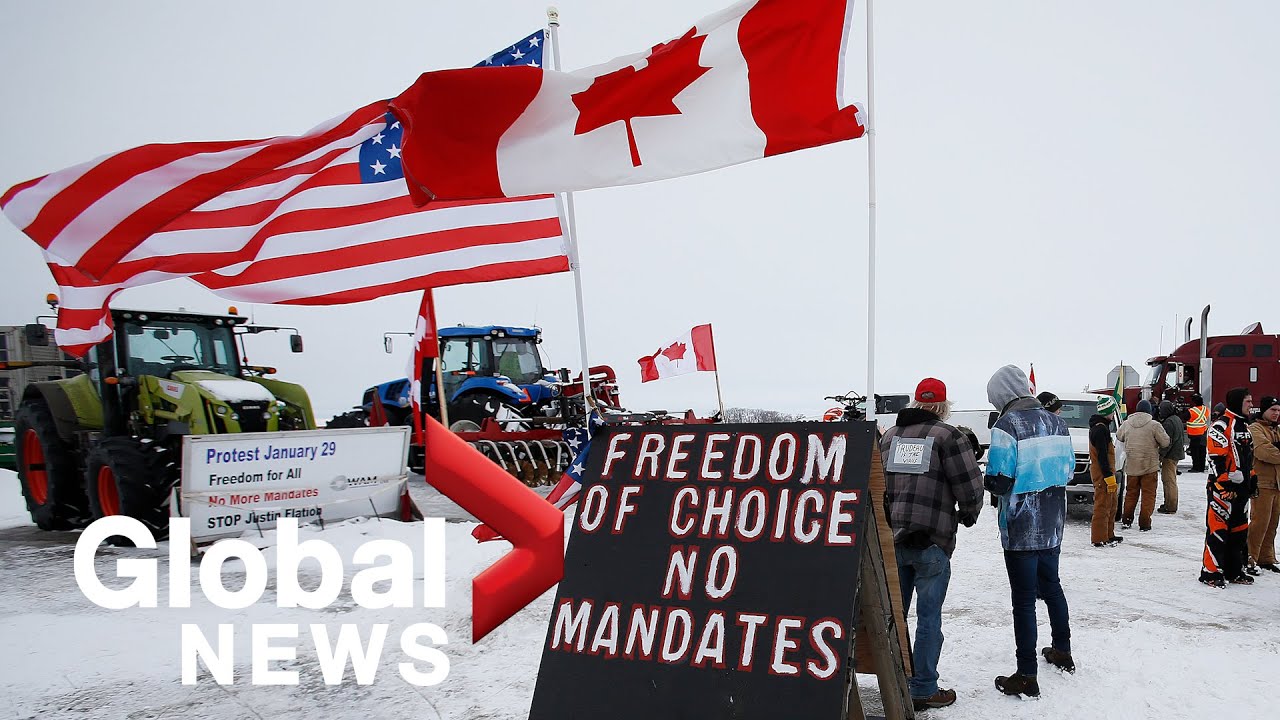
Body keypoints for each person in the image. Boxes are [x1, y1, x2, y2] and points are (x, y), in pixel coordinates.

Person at [880, 378, 985, 711]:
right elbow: (969, 486)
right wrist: (969, 514)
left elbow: (879, 484)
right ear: (943, 406)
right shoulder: (948, 436)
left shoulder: (890, 436)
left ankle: (891, 680)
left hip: (894, 538)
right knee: (928, 617)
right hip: (932, 540)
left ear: (915, 403)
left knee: (893, 615)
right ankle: (923, 687)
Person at [984, 365, 1076, 698]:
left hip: (1021, 525)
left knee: (1023, 601)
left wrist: (988, 481)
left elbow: (999, 479)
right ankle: (1062, 650)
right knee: (1052, 586)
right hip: (1053, 522)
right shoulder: (1058, 421)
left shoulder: (1006, 425)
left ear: (1001, 395)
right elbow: (1069, 470)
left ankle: (1026, 674)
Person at [1200, 388, 1256, 587]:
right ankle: (1211, 572)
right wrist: (1224, 483)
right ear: (1237, 402)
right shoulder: (1221, 425)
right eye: (1248, 401)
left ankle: (1234, 570)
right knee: (1218, 531)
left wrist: (1253, 479)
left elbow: (1249, 458)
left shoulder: (1246, 426)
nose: (1251, 404)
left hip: (1242, 489)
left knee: (1240, 531)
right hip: (1222, 489)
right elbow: (1215, 458)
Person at [1117, 399, 1170, 531]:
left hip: (1132, 466)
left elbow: (1119, 436)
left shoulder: (1127, 424)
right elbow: (1165, 442)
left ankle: (1127, 520)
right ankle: (1144, 523)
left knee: (1131, 494)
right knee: (1148, 495)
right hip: (1149, 466)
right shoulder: (1154, 425)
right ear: (1149, 410)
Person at [1246, 396, 1280, 573]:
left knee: (1272, 523)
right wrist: (1275, 448)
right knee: (1260, 522)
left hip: (1277, 483)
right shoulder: (1255, 429)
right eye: (1273, 410)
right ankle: (1250, 557)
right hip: (1262, 483)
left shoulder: (1276, 429)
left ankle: (1266, 557)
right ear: (1264, 410)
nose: (1276, 414)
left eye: (1278, 410)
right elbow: (1264, 452)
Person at [1088, 413, 1122, 547]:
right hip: (1102, 473)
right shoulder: (1100, 430)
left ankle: (1108, 534)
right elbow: (1102, 455)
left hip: (1106, 472)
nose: (1113, 415)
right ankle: (1098, 538)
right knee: (1102, 505)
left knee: (1111, 503)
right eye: (1112, 412)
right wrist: (1108, 475)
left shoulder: (1102, 427)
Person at [1156, 400, 1186, 514]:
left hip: (1170, 455)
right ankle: (1169, 503)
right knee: (1171, 480)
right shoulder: (1176, 419)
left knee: (1169, 481)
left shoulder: (1168, 422)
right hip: (1176, 454)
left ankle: (1170, 506)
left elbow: (1167, 442)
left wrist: (1161, 455)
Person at [1186, 393, 1209, 472]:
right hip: (1203, 432)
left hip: (1194, 434)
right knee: (1202, 451)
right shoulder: (1206, 409)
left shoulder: (1191, 411)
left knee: (1195, 452)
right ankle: (1201, 467)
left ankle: (1196, 467)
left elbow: (1185, 418)